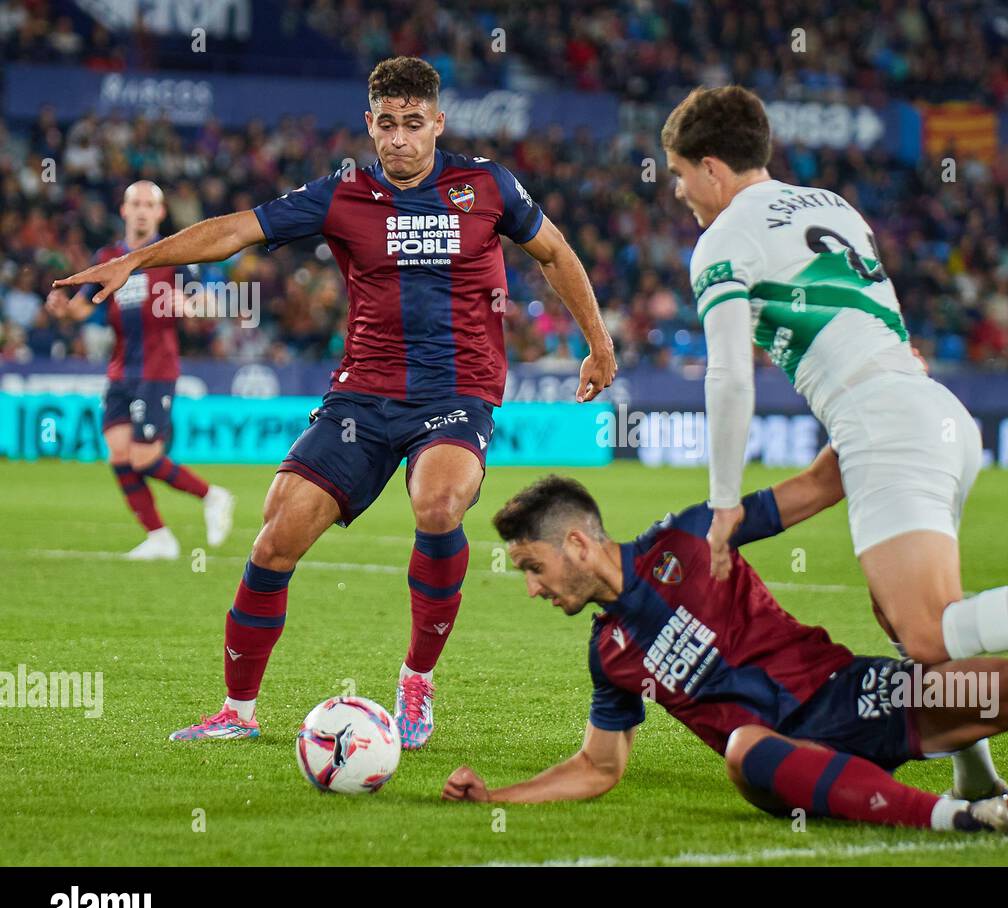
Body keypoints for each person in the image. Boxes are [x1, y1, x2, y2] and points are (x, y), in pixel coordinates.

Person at [54, 57, 617, 749]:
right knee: (275, 536)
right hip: (362, 394)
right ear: (369, 125)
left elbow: (555, 253)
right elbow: (236, 229)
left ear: (438, 123)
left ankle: (416, 678)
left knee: (439, 505)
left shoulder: (486, 186)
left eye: (415, 124)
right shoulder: (341, 193)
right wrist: (138, 261)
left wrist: (598, 342)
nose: (401, 139)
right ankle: (236, 710)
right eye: (387, 125)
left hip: (455, 391)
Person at [660, 87, 1008, 708]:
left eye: (680, 173)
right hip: (930, 411)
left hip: (886, 425)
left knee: (926, 628)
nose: (678, 190)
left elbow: (730, 375)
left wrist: (726, 500)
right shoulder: (834, 206)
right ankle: (975, 785)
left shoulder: (723, 239)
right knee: (905, 622)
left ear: (711, 166)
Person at [440, 472, 1008, 835]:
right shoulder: (608, 653)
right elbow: (600, 768)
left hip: (852, 696)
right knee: (744, 749)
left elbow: (822, 484)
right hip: (777, 758)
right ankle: (959, 818)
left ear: (576, 543)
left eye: (532, 566)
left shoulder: (692, 536)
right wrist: (499, 798)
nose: (533, 588)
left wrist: (877, 394)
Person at [45, 180, 234, 560]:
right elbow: (84, 308)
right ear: (125, 210)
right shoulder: (111, 256)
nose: (143, 210)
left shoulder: (173, 255)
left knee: (144, 458)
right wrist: (63, 309)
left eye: (150, 204)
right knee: (118, 454)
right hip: (120, 370)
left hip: (158, 368)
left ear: (161, 213)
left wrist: (193, 305)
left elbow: (206, 301)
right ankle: (159, 537)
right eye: (137, 203)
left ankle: (212, 496)